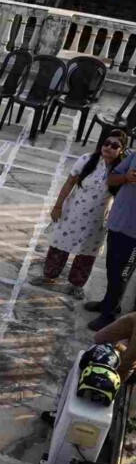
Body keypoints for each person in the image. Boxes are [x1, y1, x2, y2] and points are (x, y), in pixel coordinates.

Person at [33, 130, 129, 301]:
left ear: (121, 150)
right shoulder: (86, 160)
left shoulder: (121, 170)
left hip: (98, 218)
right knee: (59, 245)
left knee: (87, 252)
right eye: (106, 143)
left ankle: (76, 285)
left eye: (115, 145)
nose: (108, 147)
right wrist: (57, 206)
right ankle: (49, 276)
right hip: (73, 212)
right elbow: (69, 182)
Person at [87, 139, 136, 331]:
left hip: (134, 235)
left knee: (122, 274)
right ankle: (108, 303)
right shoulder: (134, 156)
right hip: (118, 223)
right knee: (111, 267)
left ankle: (109, 315)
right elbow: (112, 178)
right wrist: (126, 178)